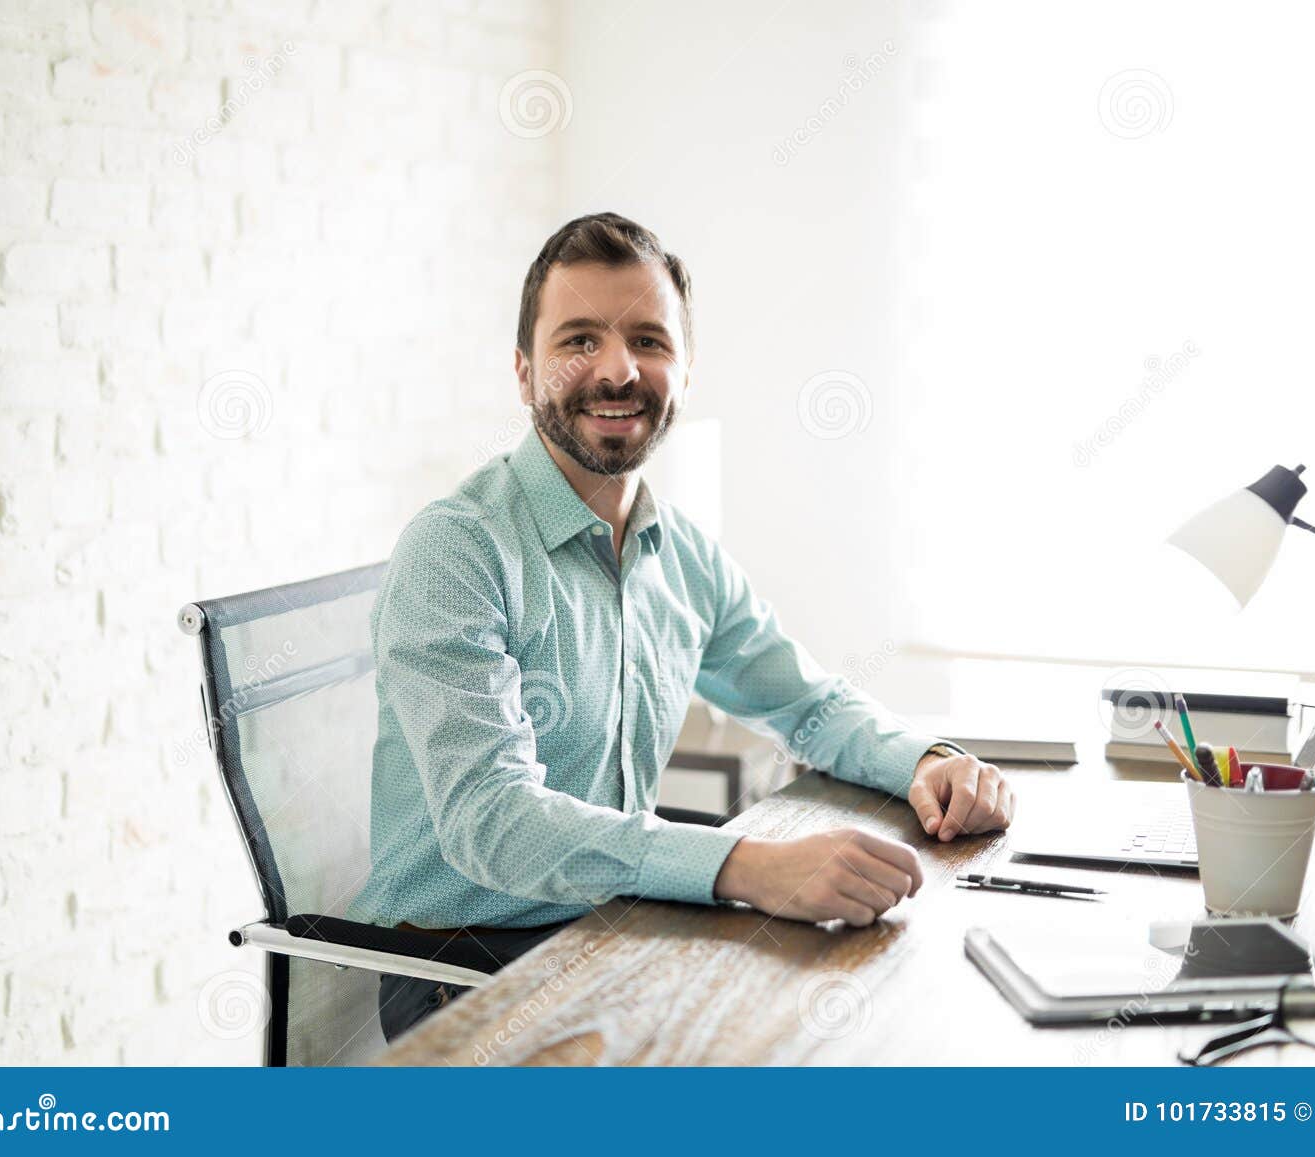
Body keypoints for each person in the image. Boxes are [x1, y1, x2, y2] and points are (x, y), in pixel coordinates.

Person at [349, 213, 1015, 1041]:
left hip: (610, 934)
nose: (618, 370)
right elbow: (495, 823)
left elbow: (808, 705)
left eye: (649, 341)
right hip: (461, 976)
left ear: (686, 371)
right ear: (524, 374)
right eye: (579, 340)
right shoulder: (458, 548)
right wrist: (751, 867)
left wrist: (928, 760)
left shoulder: (681, 553)